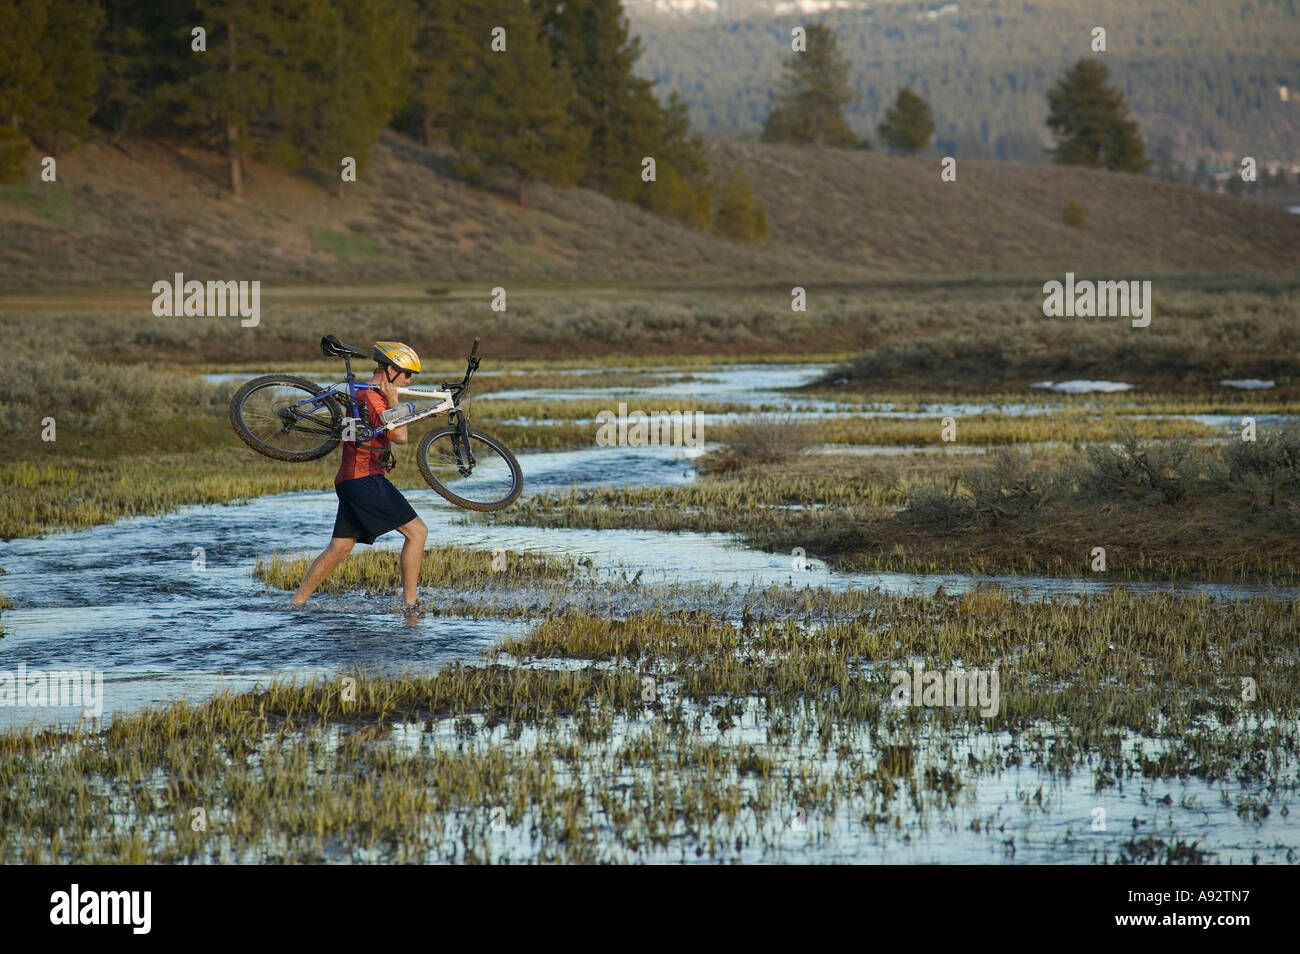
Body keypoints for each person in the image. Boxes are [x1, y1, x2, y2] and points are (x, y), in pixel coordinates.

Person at [290, 341, 428, 609]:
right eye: (407, 374)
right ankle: (411, 606)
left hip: (350, 480)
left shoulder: (367, 396)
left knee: (340, 548)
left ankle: (296, 604)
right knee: (417, 533)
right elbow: (400, 437)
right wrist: (396, 401)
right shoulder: (373, 399)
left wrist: (403, 408)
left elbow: (396, 429)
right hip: (364, 478)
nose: (409, 380)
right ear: (390, 370)